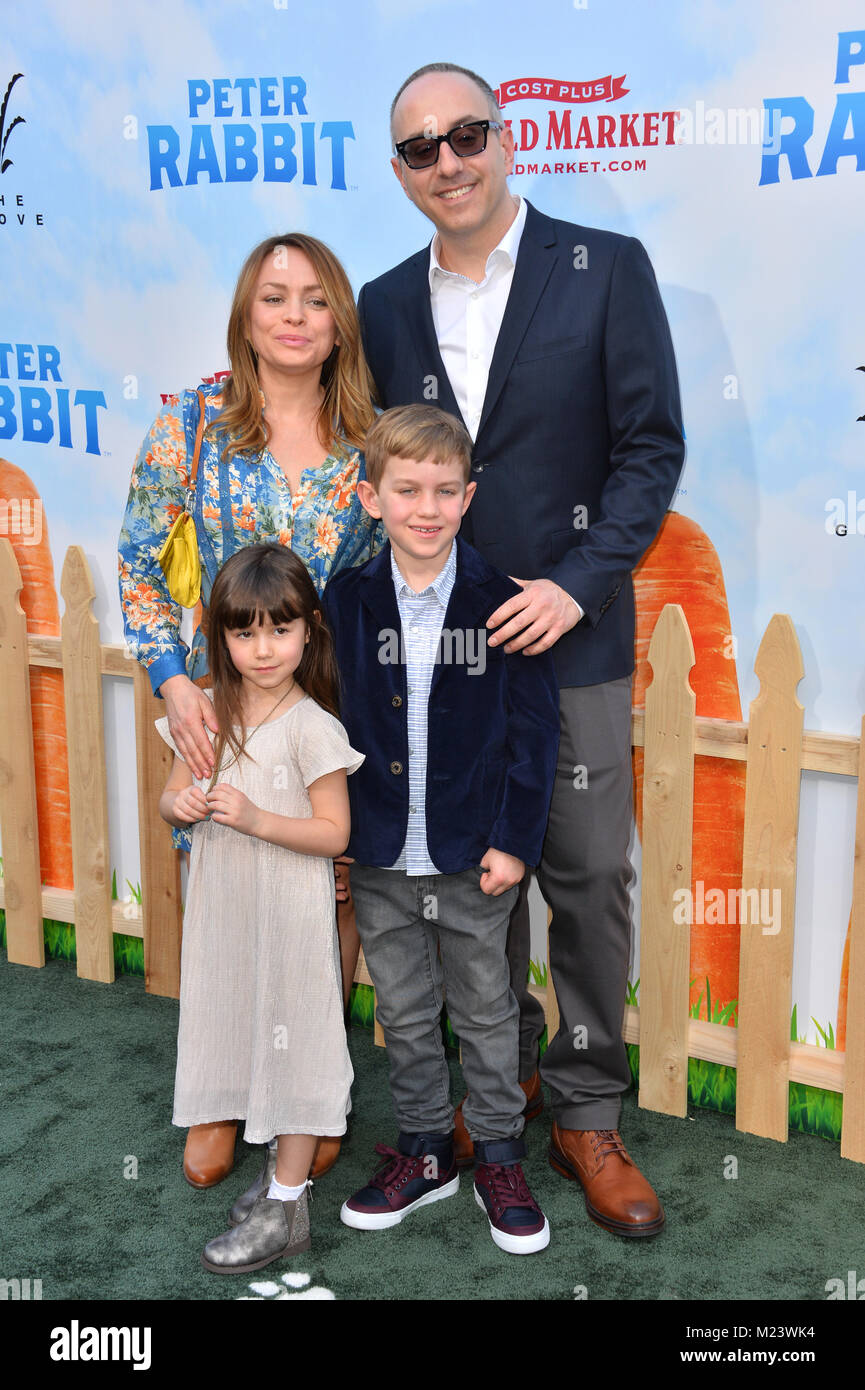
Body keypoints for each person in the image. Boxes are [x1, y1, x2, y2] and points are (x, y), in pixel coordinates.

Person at [357, 63, 686, 1238]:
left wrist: (577, 583)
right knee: (464, 881)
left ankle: (585, 1109)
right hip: (440, 662)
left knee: (587, 880)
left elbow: (648, 449)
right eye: (420, 147)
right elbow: (376, 464)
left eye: (465, 135)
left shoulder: (604, 267)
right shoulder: (382, 304)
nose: (446, 160)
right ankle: (499, 1088)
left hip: (572, 642)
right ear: (400, 171)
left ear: (506, 139)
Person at [118, 232, 380, 1188]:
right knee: (224, 896)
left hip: (331, 710)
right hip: (217, 705)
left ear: (339, 320)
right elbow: (139, 564)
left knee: (326, 898)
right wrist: (172, 680)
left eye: (314, 299)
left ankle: (310, 1097)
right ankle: (221, 1095)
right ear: (246, 315)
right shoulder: (191, 424)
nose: (295, 316)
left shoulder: (372, 438)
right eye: (275, 297)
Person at [323, 404, 560, 1254]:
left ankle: (497, 1153)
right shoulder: (345, 601)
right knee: (403, 1008)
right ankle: (425, 1149)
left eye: (444, 491)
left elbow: (533, 738)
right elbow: (327, 722)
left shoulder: (505, 604)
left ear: (468, 497)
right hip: (381, 852)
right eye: (406, 490)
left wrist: (514, 844)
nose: (426, 508)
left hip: (473, 856)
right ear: (370, 498)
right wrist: (336, 830)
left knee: (487, 1010)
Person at [156, 543, 364, 1273]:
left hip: (293, 919)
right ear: (221, 637)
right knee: (237, 1022)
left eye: (279, 630)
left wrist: (254, 819)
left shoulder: (313, 726)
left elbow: (335, 833)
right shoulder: (208, 712)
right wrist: (180, 805)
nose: (264, 649)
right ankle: (278, 1176)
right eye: (244, 633)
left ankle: (287, 1204)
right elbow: (170, 796)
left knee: (297, 1041)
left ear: (309, 630)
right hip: (227, 916)